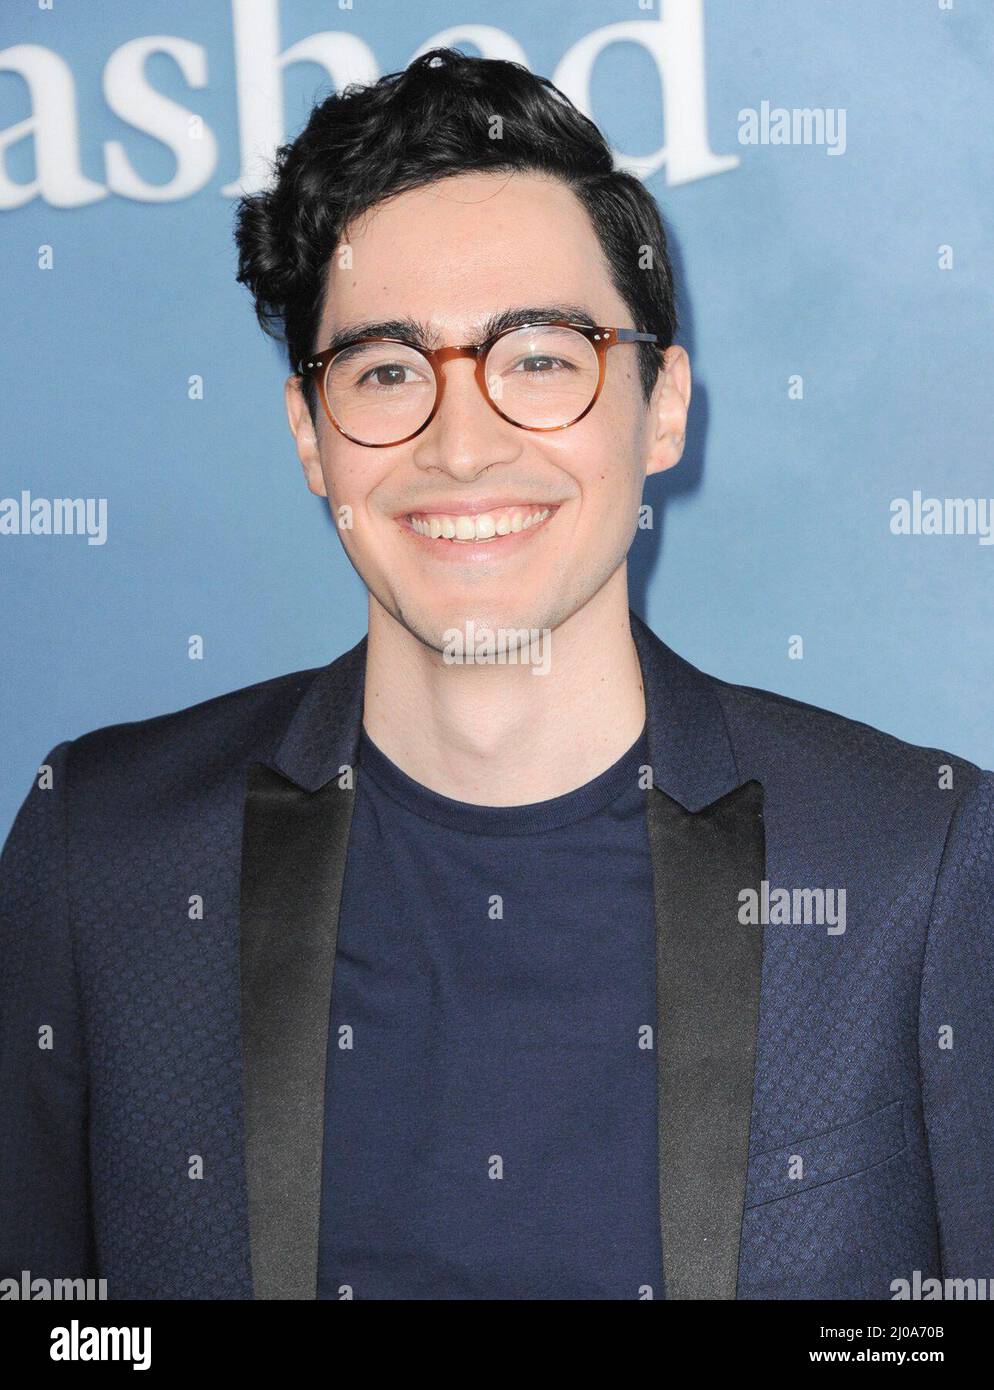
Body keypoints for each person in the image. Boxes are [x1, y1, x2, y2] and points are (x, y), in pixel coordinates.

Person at [1, 48, 991, 1301]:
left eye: (537, 357)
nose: (461, 445)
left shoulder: (914, 855)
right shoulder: (105, 852)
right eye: (385, 371)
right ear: (312, 440)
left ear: (662, 404)